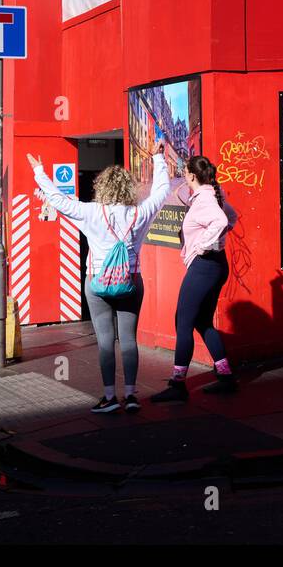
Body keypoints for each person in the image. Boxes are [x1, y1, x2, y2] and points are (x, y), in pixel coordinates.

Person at [28, 142, 170, 413]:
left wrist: (39, 172)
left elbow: (59, 200)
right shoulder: (139, 213)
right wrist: (158, 158)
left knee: (105, 342)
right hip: (131, 280)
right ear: (128, 188)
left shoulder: (91, 212)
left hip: (97, 282)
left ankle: (109, 397)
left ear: (101, 187)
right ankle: (130, 396)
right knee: (128, 339)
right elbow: (162, 191)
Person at [150, 155, 240, 403]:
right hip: (215, 266)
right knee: (202, 321)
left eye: (185, 171)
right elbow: (232, 218)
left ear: (190, 176)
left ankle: (178, 385)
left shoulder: (205, 200)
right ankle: (225, 376)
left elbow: (222, 221)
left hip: (204, 267)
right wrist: (216, 241)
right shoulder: (212, 195)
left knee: (183, 321)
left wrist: (203, 245)